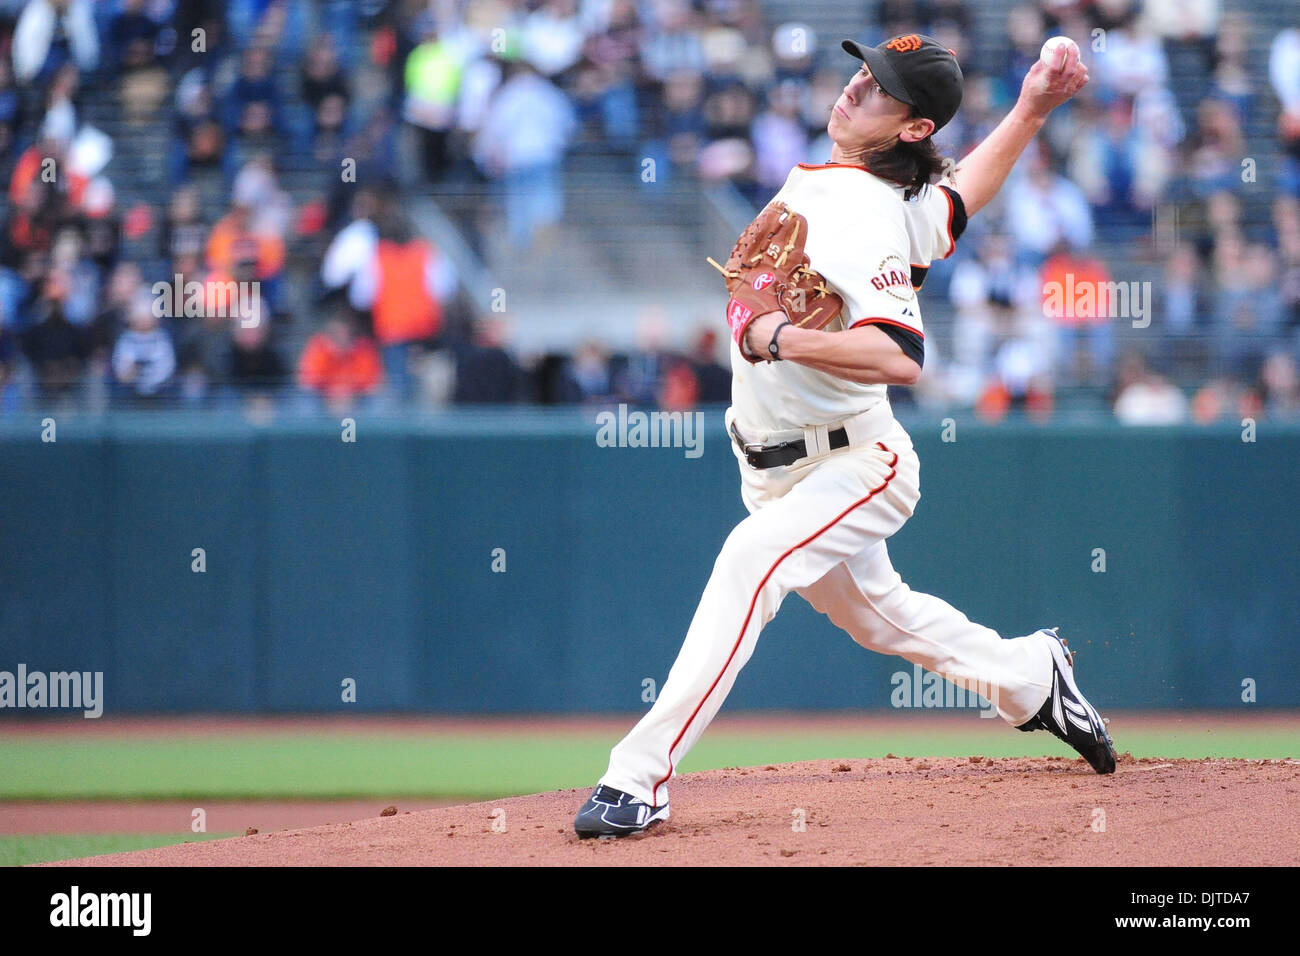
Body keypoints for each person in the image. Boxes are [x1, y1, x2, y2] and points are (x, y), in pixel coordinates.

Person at [574, 34, 1116, 839]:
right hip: (779, 462)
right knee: (880, 617)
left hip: (857, 458)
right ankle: (1032, 676)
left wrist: (780, 339)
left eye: (881, 88)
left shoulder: (862, 210)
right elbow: (957, 201)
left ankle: (638, 778)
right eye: (863, 70)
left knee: (748, 562)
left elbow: (900, 356)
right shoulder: (871, 189)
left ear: (912, 128)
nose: (857, 85)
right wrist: (1033, 105)